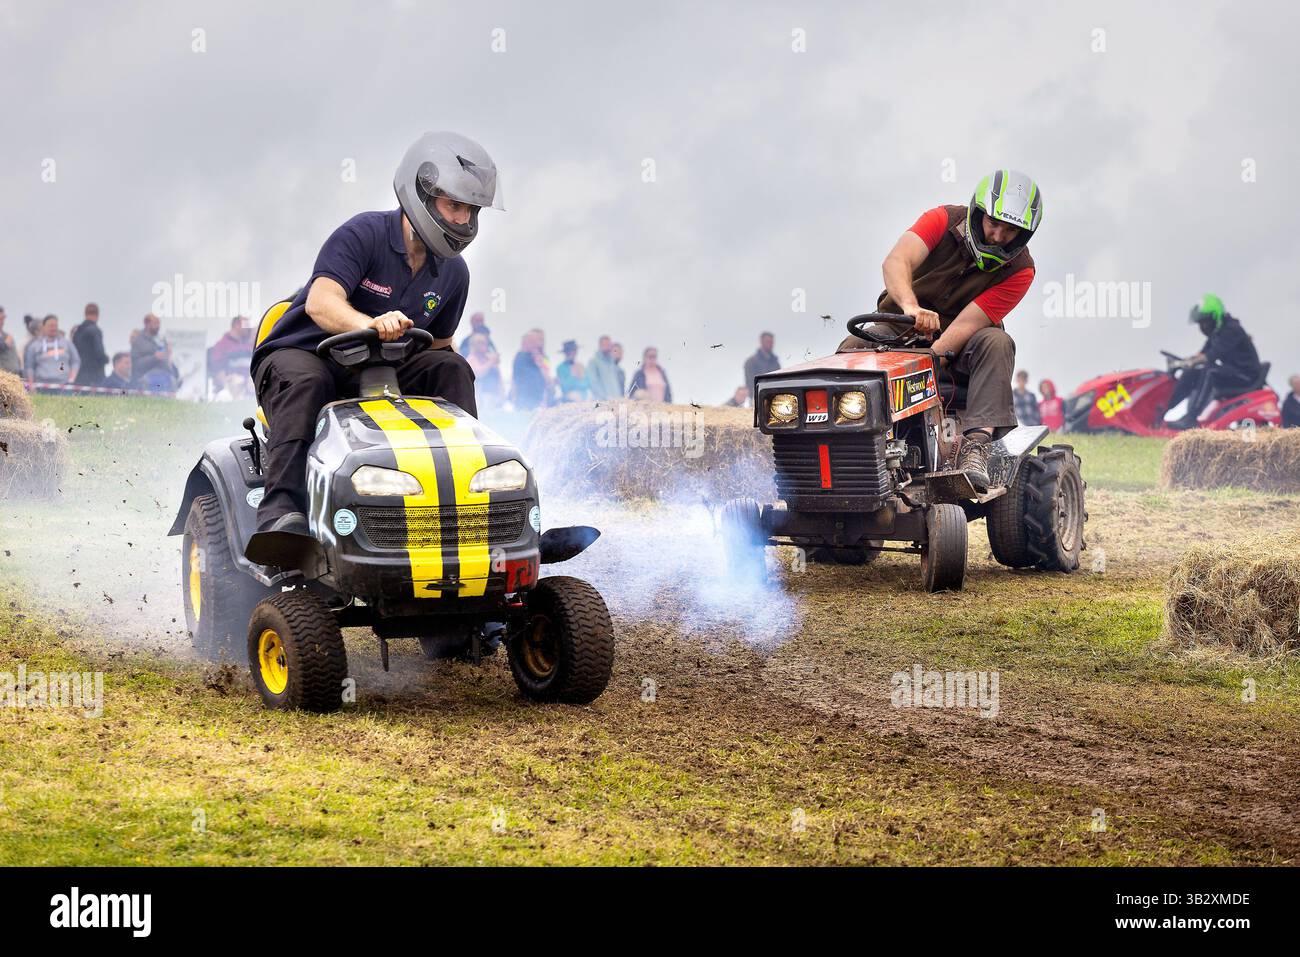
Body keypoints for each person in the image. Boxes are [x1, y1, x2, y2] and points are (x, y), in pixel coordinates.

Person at [248, 130, 502, 536]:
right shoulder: (362, 234)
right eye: (453, 205)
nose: (461, 219)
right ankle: (281, 514)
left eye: (470, 210)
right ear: (421, 195)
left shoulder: (454, 273)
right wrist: (368, 324)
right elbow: (320, 302)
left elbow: (437, 345)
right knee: (308, 380)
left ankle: (471, 503)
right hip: (303, 353)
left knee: (451, 367)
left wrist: (443, 365)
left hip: (380, 370)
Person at [838, 169, 1042, 491]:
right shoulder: (942, 220)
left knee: (997, 342)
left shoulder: (1021, 271)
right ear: (978, 213)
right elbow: (896, 261)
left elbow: (968, 323)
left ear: (1024, 235)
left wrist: (926, 362)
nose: (997, 237)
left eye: (1010, 231)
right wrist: (910, 306)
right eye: (993, 223)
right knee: (850, 349)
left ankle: (975, 448)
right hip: (899, 327)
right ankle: (846, 450)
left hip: (959, 346)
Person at [1165, 294, 1264, 430]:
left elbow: (1210, 356)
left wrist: (1187, 362)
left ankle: (1191, 418)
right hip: (1231, 372)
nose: (1202, 326)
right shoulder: (1217, 332)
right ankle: (1163, 411)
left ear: (1214, 317)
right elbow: (1201, 353)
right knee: (1192, 373)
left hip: (1246, 376)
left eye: (1204, 322)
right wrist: (1183, 363)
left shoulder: (1232, 330)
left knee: (1209, 370)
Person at [24, 314, 80, 386]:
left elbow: (75, 361)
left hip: (63, 386)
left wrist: (72, 378)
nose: (53, 328)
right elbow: (29, 366)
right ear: (43, 327)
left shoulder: (67, 344)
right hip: (41, 385)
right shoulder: (34, 345)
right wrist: (31, 385)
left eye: (55, 326)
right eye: (50, 326)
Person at [131, 313, 180, 391]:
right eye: (155, 323)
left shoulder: (162, 340)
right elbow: (136, 364)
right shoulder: (138, 341)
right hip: (148, 381)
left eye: (159, 323)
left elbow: (168, 361)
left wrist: (168, 355)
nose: (158, 326)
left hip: (166, 379)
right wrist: (154, 358)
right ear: (146, 324)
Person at [510, 329, 555, 411]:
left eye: (541, 339)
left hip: (539, 401)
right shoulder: (520, 356)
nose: (539, 343)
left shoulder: (544, 358)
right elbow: (516, 378)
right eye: (538, 339)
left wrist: (540, 363)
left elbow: (547, 377)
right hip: (523, 401)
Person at [71, 302, 110, 387]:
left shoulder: (77, 331)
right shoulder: (95, 330)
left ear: (85, 313)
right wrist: (106, 359)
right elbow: (99, 352)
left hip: (80, 373)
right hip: (94, 375)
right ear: (97, 315)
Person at [465, 331, 503, 410]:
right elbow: (478, 374)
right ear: (475, 345)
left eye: (485, 343)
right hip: (480, 398)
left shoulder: (488, 357)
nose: (485, 346)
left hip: (494, 396)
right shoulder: (471, 359)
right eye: (481, 343)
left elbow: (499, 378)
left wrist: (501, 394)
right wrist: (490, 362)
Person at [743, 332, 780, 400]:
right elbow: (750, 383)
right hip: (758, 397)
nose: (770, 344)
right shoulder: (751, 362)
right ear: (761, 342)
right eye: (768, 341)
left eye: (771, 342)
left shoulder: (775, 362)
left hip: (774, 397)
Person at [585, 335, 622, 400]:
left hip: (615, 401)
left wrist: (618, 398)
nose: (607, 347)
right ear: (600, 345)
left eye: (609, 344)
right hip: (602, 402)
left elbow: (616, 383)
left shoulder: (612, 364)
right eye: (605, 344)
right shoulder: (593, 362)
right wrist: (605, 398)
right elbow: (593, 383)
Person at [0, 307, 21, 375]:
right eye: (1, 318)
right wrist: (5, 344)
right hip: (3, 377)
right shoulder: (7, 339)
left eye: (3, 318)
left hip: (12, 376)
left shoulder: (6, 335)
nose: (3, 322)